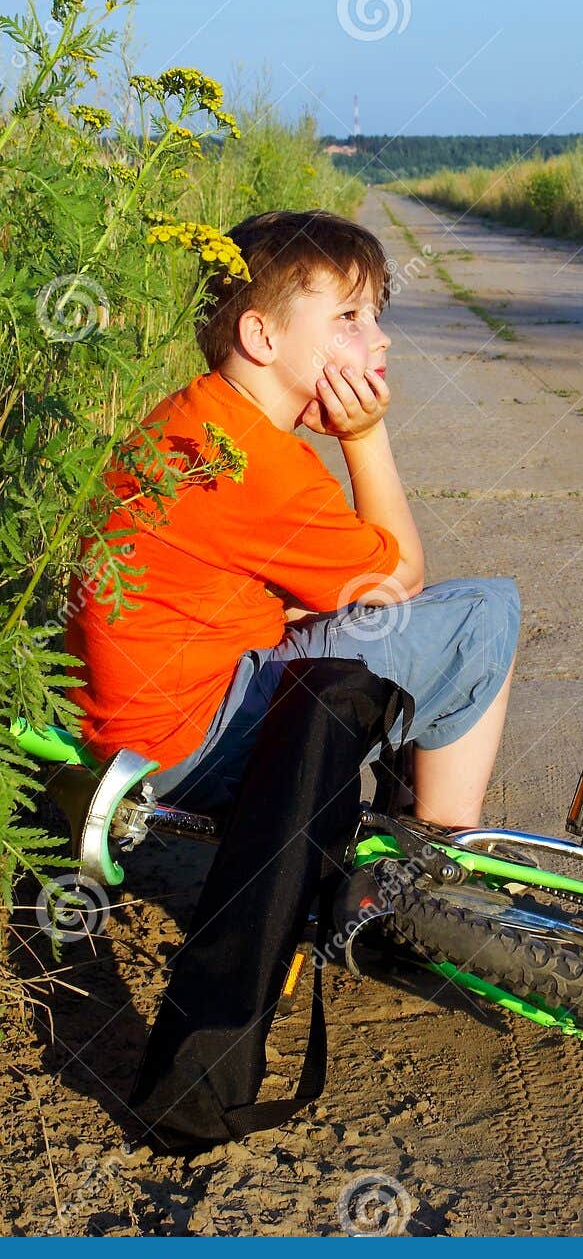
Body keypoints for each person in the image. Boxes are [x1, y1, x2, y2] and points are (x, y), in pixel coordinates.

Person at [64, 208, 520, 828]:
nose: (379, 338)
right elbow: (400, 580)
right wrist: (365, 436)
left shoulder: (194, 419)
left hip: (127, 740)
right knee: (481, 614)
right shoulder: (261, 465)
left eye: (375, 316)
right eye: (349, 318)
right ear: (261, 337)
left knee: (330, 610)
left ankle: (406, 829)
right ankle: (443, 857)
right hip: (192, 752)